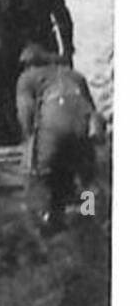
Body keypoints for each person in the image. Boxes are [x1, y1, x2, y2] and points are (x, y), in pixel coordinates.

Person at [16, 45, 106, 231]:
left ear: (29, 64)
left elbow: (25, 114)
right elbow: (91, 107)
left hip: (54, 127)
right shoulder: (75, 75)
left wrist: (29, 141)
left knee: (45, 177)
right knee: (85, 178)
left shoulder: (27, 78)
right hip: (83, 124)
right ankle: (88, 215)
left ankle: (50, 222)